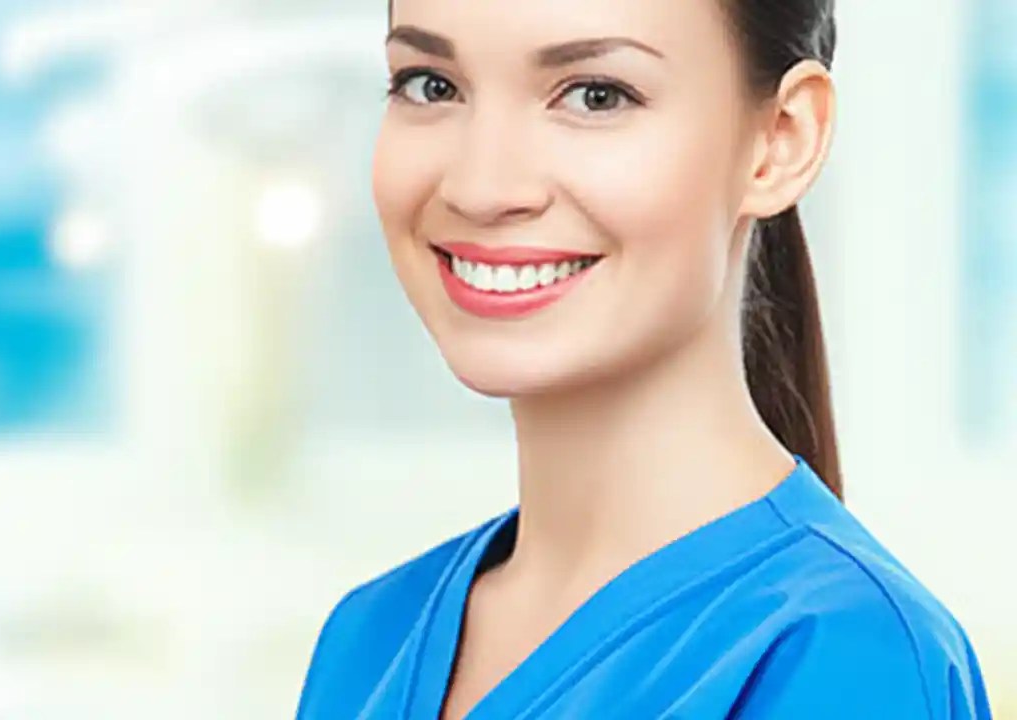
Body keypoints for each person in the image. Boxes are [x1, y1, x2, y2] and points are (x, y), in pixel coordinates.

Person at [295, 0, 993, 717]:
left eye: (596, 95)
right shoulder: (368, 640)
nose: (480, 187)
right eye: (430, 85)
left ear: (782, 140)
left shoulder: (849, 660)